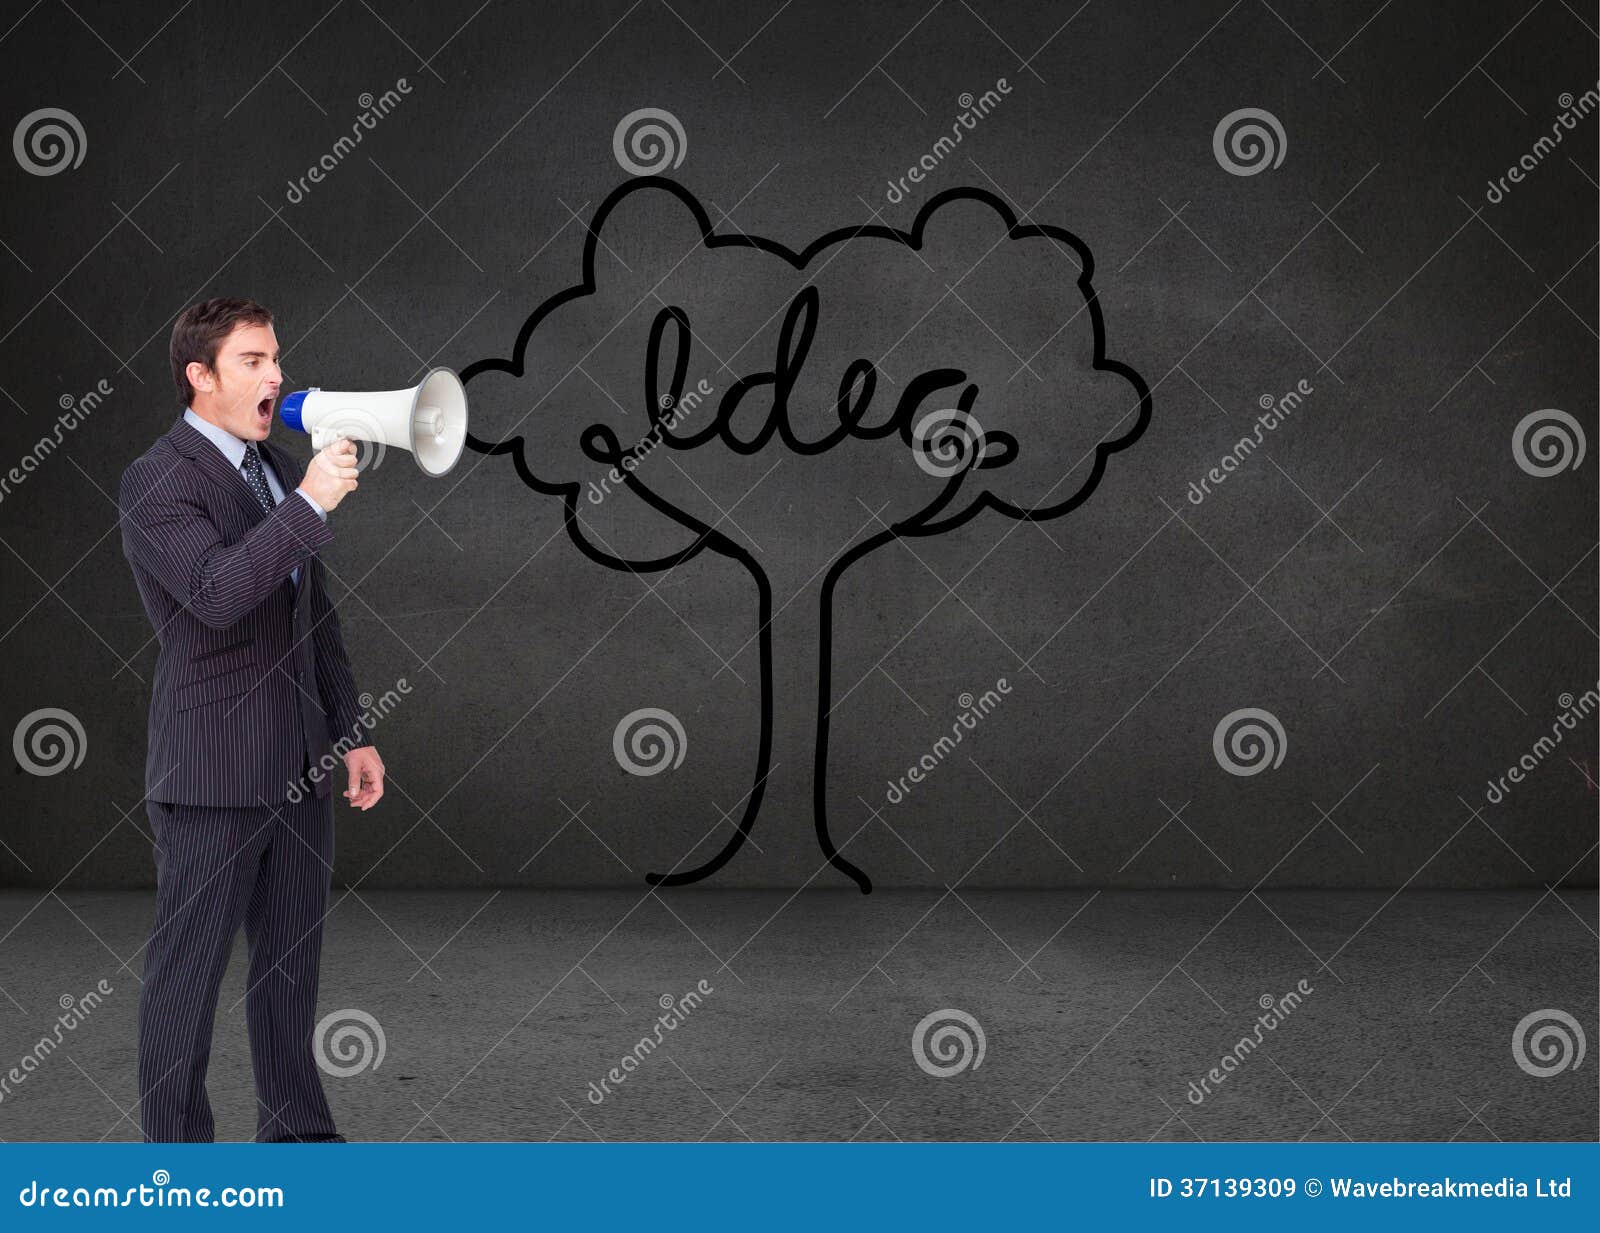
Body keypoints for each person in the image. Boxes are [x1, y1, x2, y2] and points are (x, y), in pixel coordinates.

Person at [117, 297, 384, 1142]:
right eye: (252, 360)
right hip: (212, 769)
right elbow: (219, 596)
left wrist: (352, 729)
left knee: (289, 970)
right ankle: (180, 1164)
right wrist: (307, 505)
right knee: (185, 982)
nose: (276, 375)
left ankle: (298, 1135)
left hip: (299, 762)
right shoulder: (157, 479)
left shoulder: (272, 467)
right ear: (200, 377)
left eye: (276, 358)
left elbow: (315, 617)